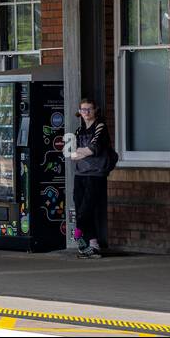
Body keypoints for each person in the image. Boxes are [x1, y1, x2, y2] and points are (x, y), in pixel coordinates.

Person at [67, 98, 112, 259]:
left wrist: (81, 151)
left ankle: (78, 235)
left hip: (95, 175)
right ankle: (93, 245)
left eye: (89, 109)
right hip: (80, 174)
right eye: (83, 109)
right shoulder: (79, 131)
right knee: (80, 208)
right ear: (79, 112)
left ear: (95, 110)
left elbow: (93, 149)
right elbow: (71, 154)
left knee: (86, 209)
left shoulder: (100, 127)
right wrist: (81, 151)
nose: (86, 112)